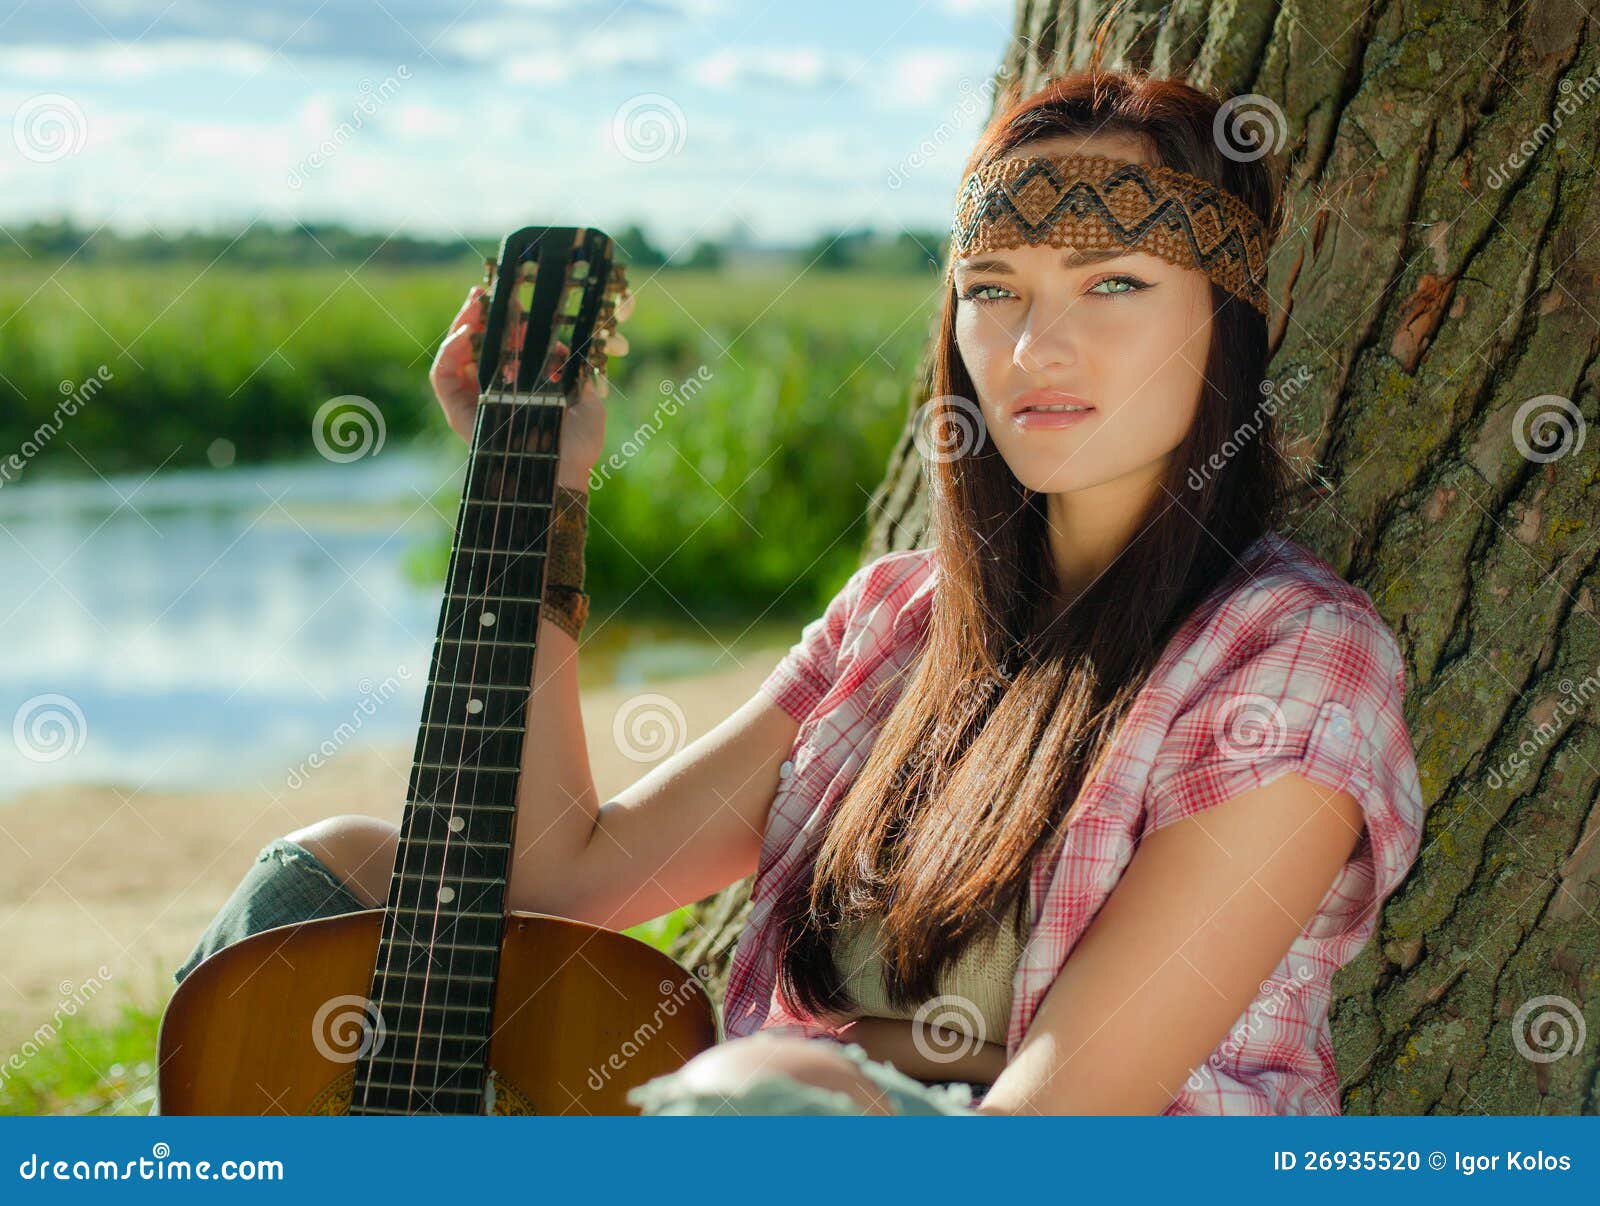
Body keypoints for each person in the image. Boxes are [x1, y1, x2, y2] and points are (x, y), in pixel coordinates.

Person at [171, 67, 1425, 1117]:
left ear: (1229, 322)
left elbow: (1060, 1127)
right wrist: (539, 489)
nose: (1038, 347)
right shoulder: (902, 621)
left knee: (757, 1087)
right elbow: (565, 884)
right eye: (994, 290)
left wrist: (795, 1070)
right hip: (757, 1121)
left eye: (1114, 284)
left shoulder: (1293, 664)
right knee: (329, 879)